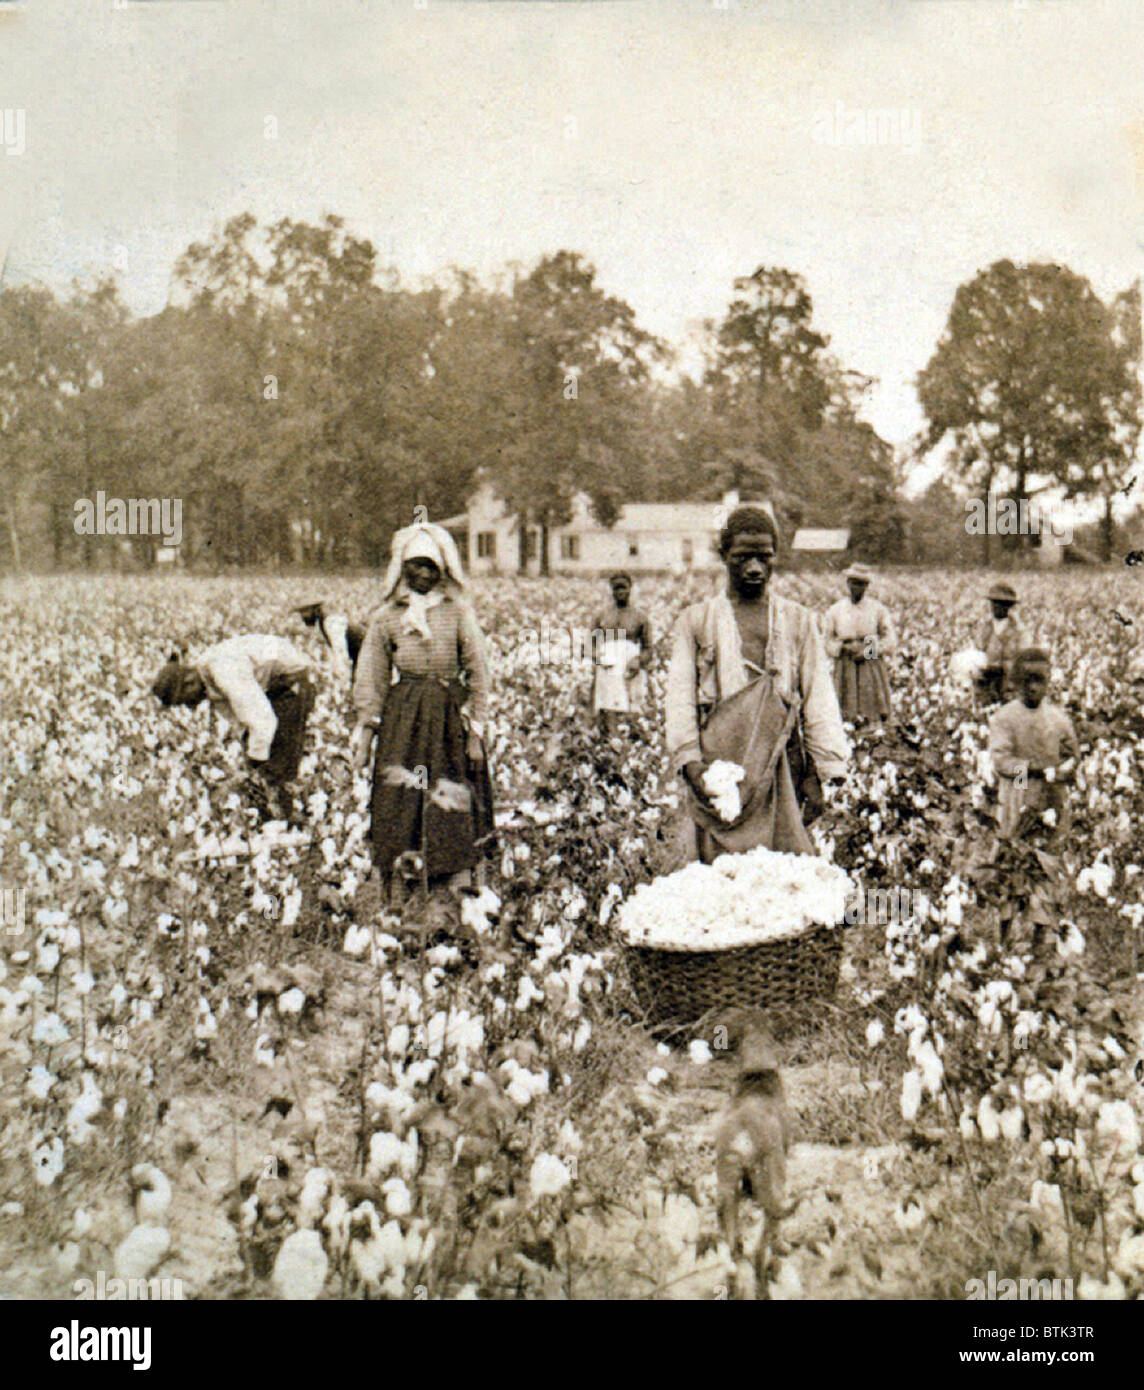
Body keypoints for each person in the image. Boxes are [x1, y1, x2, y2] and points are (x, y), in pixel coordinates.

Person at [664, 504, 850, 863]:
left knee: (782, 877)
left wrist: (823, 771)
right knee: (722, 877)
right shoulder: (696, 622)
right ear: (723, 556)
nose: (754, 568)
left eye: (764, 558)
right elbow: (680, 701)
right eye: (742, 557)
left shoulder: (797, 621)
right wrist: (693, 767)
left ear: (775, 558)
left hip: (783, 765)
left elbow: (819, 698)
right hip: (721, 771)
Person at [351, 521, 495, 902]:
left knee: (448, 790)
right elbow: (372, 676)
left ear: (442, 571)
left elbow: (478, 670)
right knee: (400, 792)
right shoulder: (386, 618)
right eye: (415, 565)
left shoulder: (457, 612)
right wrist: (367, 734)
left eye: (431, 566)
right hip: (402, 716)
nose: (423, 574)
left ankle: (452, 877)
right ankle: (400, 879)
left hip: (446, 717)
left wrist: (476, 732)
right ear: (403, 567)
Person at [151, 635, 316, 820]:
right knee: (264, 766)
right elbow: (241, 723)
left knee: (278, 763)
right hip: (272, 684)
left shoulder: (224, 672)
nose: (190, 706)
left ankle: (285, 821)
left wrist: (256, 764)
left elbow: (263, 721)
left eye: (185, 700)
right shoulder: (208, 680)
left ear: (189, 682)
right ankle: (275, 814)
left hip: (290, 682)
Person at [988, 647, 1078, 840]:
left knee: (1050, 843)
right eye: (1027, 680)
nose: (1033, 687)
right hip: (1018, 786)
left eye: (1039, 680)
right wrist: (1031, 769)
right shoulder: (1006, 717)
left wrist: (1063, 771)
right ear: (1018, 681)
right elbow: (1001, 759)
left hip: (1051, 790)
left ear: (1048, 681)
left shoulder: (1058, 719)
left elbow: (1072, 755)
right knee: (1014, 842)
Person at [822, 563, 896, 724]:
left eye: (862, 584)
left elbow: (890, 639)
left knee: (871, 707)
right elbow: (825, 640)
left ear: (867, 586)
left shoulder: (877, 609)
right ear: (848, 583)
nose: (857, 587)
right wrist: (844, 647)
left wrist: (868, 651)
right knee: (845, 707)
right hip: (846, 662)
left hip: (870, 662)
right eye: (854, 582)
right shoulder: (835, 610)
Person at [591, 570, 652, 734]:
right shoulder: (602, 616)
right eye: (616, 589)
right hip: (608, 667)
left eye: (623, 588)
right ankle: (611, 739)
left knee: (632, 708)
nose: (620, 592)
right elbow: (591, 644)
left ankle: (632, 743)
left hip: (630, 668)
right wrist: (598, 657)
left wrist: (638, 661)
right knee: (609, 708)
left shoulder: (640, 617)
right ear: (611, 591)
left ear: (630, 589)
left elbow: (648, 648)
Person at [976, 583, 1028, 703]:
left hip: (1008, 687)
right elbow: (978, 653)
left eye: (1000, 604)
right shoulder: (984, 627)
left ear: (1009, 606)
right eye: (993, 603)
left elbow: (1023, 659)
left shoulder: (1019, 631)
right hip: (985, 685)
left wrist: (1003, 667)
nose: (995, 607)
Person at [294, 601, 365, 685]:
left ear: (315, 610)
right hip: (358, 656)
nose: (302, 617)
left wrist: (341, 680)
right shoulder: (322, 623)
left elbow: (341, 654)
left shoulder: (332, 622)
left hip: (366, 654)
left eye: (304, 612)